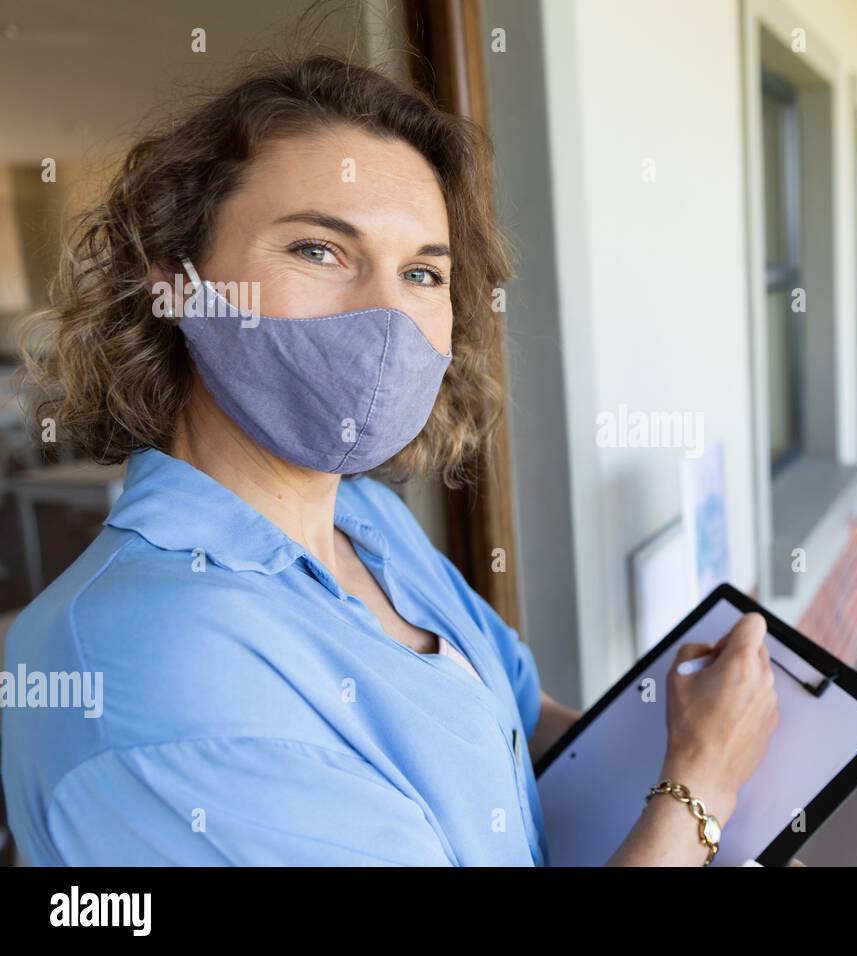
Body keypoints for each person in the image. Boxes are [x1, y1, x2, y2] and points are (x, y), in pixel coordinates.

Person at [0, 53, 782, 867]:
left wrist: (715, 800)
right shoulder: (151, 662)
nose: (387, 316)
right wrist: (700, 794)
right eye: (318, 250)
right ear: (175, 286)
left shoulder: (367, 521)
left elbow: (515, 720)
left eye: (421, 272)